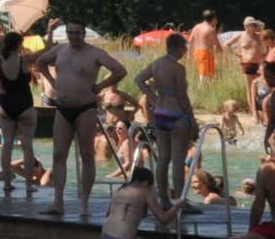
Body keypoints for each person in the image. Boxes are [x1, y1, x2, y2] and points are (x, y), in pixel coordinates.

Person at [35, 19, 127, 221]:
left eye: (77, 32)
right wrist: (52, 82)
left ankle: (84, 203)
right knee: (59, 155)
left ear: (84, 33)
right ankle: (58, 202)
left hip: (85, 109)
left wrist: (101, 85)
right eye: (70, 32)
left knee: (87, 155)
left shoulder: (95, 53)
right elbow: (40, 62)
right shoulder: (60, 51)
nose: (73, 36)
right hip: (63, 109)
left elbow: (120, 70)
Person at [134, 32, 197, 202]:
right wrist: (192, 119)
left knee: (162, 159)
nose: (185, 52)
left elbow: (139, 79)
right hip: (176, 114)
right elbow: (182, 97)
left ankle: (163, 199)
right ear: (178, 48)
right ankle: (181, 202)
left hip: (160, 113)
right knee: (178, 161)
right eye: (184, 48)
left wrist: (153, 98)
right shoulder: (178, 68)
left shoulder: (157, 64)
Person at [0, 32, 42, 193]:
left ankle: (7, 183)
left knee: (7, 146)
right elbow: (46, 49)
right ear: (19, 44)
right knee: (27, 147)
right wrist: (50, 31)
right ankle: (28, 185)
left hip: (6, 104)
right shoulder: (24, 60)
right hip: (25, 105)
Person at [102, 164, 179, 238]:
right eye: (150, 186)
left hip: (106, 233)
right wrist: (178, 205)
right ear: (146, 182)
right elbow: (164, 218)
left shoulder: (119, 189)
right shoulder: (144, 192)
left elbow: (108, 214)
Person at [190, 11, 223, 83]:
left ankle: (203, 92)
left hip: (196, 53)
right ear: (213, 19)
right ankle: (201, 93)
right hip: (206, 54)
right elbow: (218, 46)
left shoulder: (196, 27)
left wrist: (189, 55)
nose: (216, 20)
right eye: (216, 18)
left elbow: (189, 42)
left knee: (203, 76)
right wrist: (222, 55)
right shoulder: (210, 30)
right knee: (204, 79)